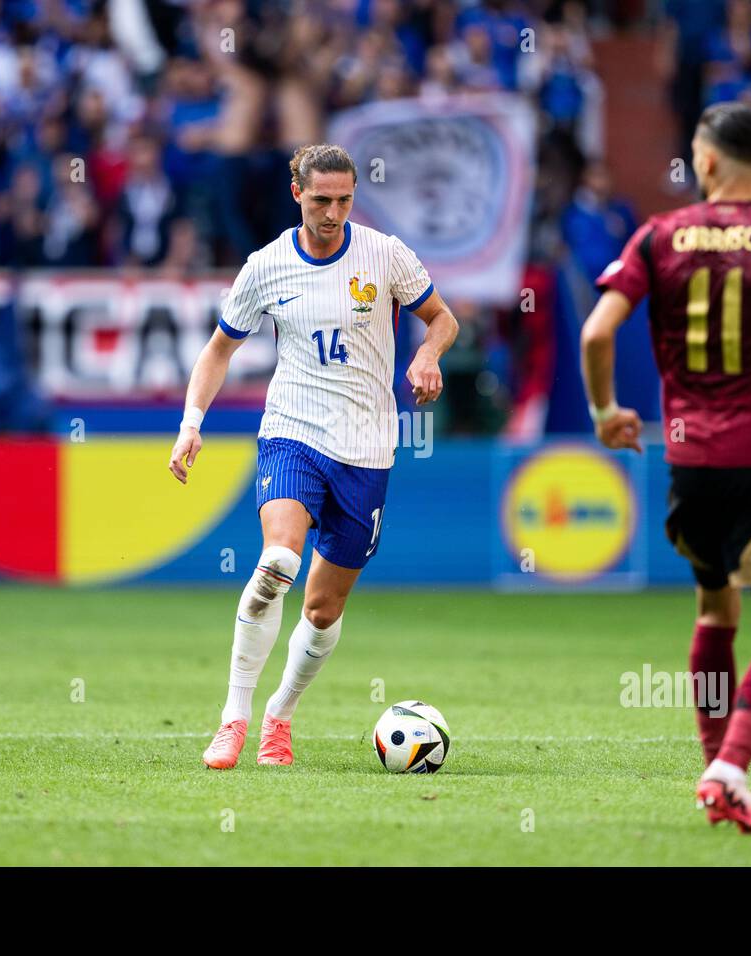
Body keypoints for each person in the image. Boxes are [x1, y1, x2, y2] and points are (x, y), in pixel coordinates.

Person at [579, 102, 751, 836]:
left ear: (705, 161)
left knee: (714, 612)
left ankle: (713, 766)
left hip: (690, 461)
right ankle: (728, 771)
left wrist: (607, 411)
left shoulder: (657, 237)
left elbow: (596, 330)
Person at [168, 144, 459, 769]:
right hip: (293, 432)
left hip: (368, 448)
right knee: (277, 560)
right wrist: (192, 423)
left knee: (323, 609)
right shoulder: (266, 266)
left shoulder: (385, 254)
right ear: (296, 192)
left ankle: (280, 716)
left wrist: (428, 353)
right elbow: (219, 350)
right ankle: (233, 718)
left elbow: (442, 319)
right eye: (321, 199)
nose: (333, 212)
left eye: (344, 200)